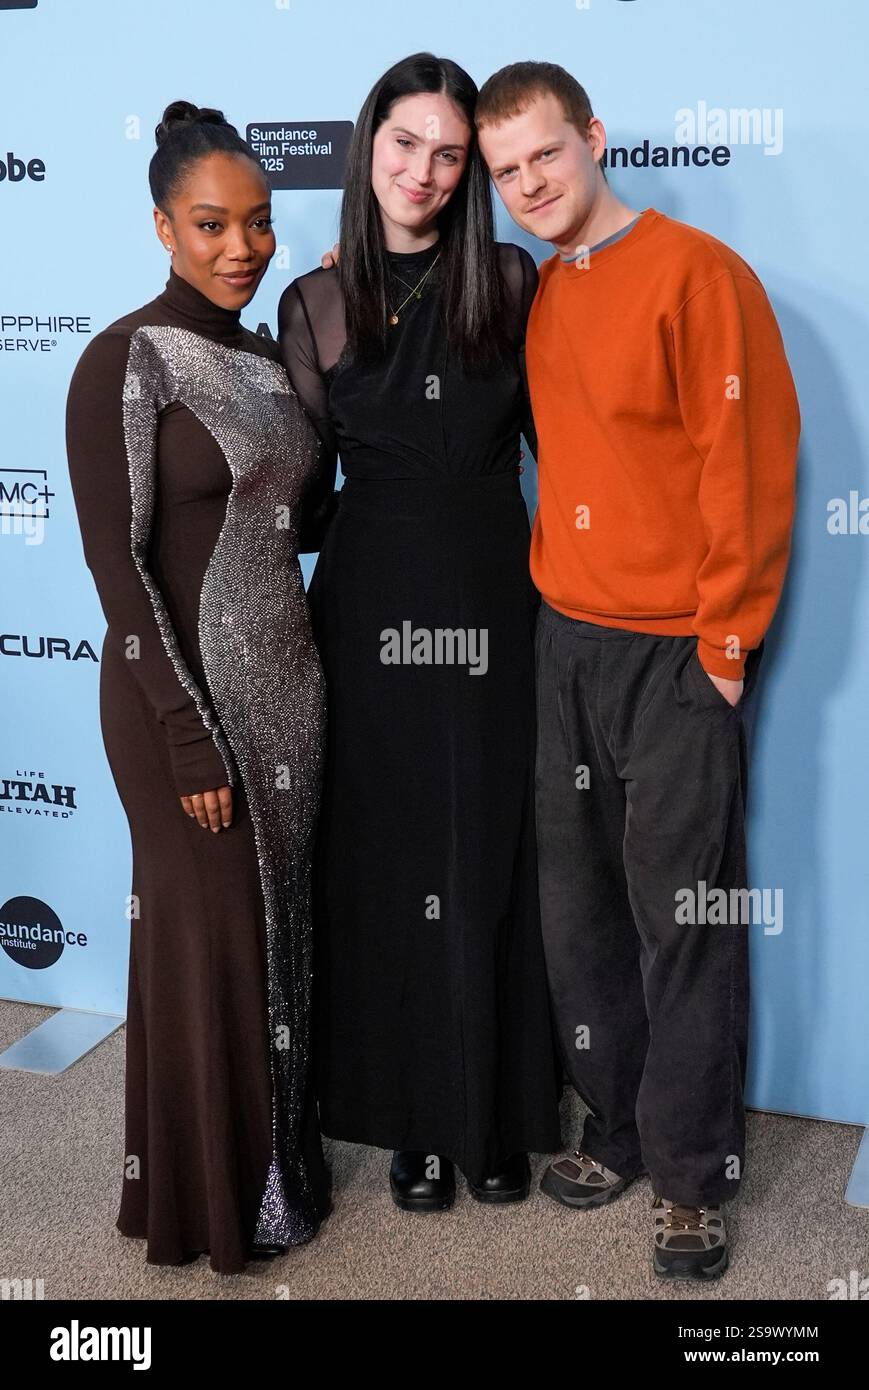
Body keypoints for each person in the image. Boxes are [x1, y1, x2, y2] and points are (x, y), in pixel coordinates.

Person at [475, 62, 800, 1279]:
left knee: (685, 921)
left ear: (593, 139)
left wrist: (723, 646)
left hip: (675, 652)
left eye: (543, 157)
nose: (527, 187)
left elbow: (747, 460)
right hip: (564, 637)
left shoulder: (698, 273)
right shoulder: (548, 291)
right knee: (582, 916)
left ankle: (689, 1177)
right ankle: (610, 1128)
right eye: (504, 172)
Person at [279, 52, 561, 1212]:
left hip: (495, 591)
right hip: (366, 605)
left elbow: (565, 443)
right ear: (369, 143)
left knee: (489, 847)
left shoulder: (508, 277)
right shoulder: (315, 301)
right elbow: (297, 496)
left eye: (450, 153)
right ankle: (411, 1124)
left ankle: (490, 1111)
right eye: (407, 143)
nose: (426, 170)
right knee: (390, 858)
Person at [65, 101, 331, 1273]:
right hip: (178, 702)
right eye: (212, 224)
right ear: (163, 225)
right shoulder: (125, 357)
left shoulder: (270, 357)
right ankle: (207, 1204)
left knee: (275, 937)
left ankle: (276, 1172)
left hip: (290, 690)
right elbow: (116, 567)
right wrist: (185, 737)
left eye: (259, 223)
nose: (241, 247)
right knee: (208, 940)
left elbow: (305, 519)